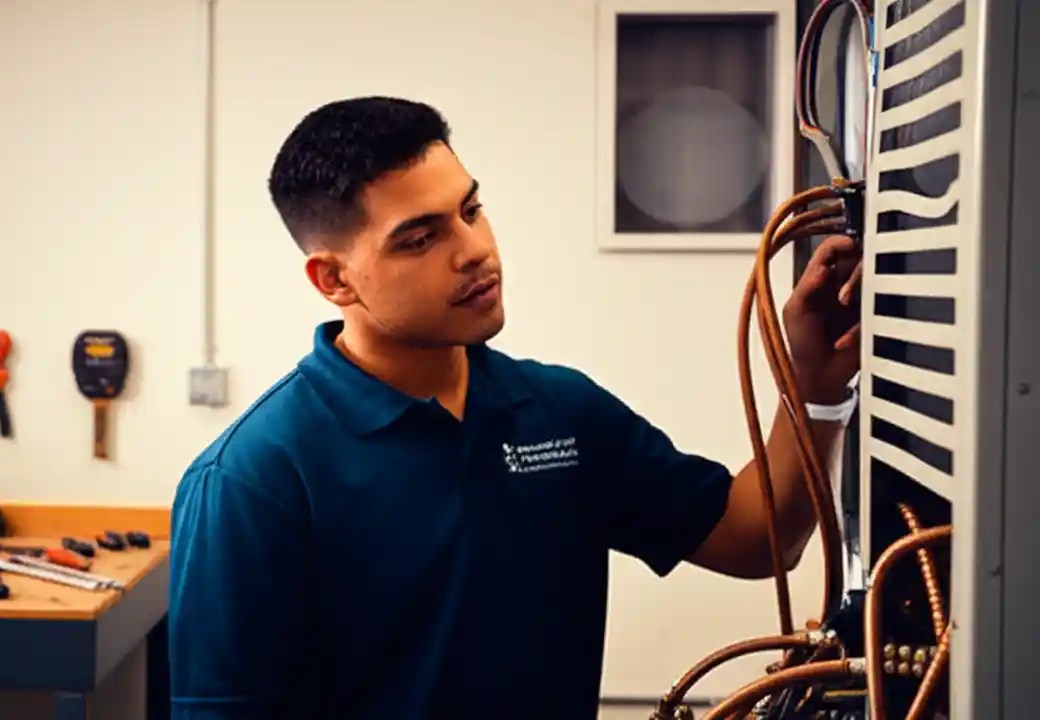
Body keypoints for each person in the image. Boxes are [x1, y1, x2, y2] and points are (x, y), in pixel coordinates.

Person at [167, 96, 862, 719]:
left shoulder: (559, 413)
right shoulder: (253, 481)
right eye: (420, 238)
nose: (475, 251)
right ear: (334, 278)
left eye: (471, 210)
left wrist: (815, 388)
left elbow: (755, 537)